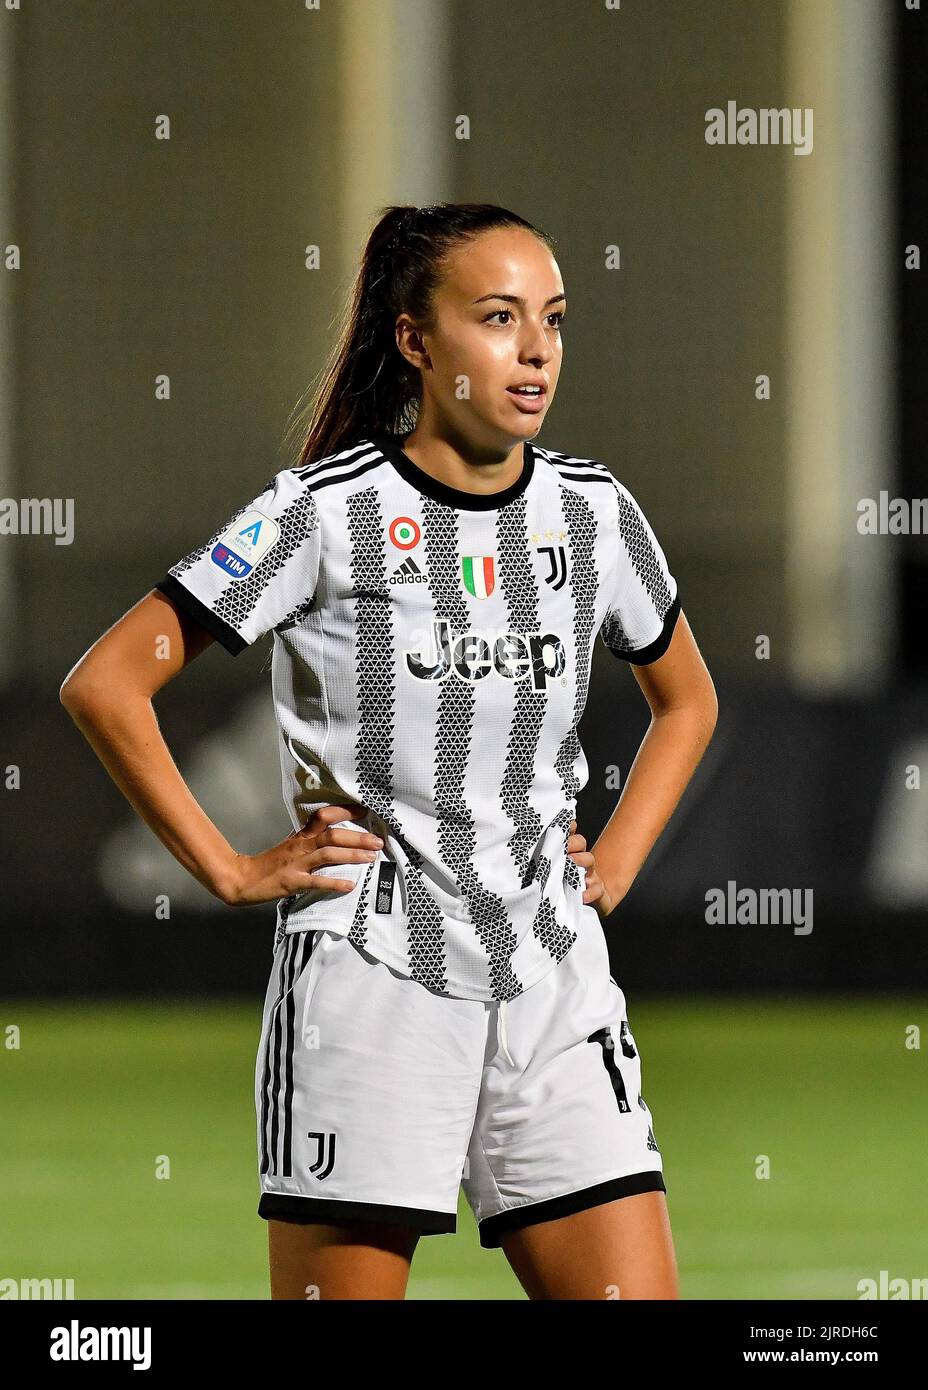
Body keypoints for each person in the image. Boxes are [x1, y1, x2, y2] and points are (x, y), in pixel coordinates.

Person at [60, 202, 718, 1300]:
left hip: (552, 980)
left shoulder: (594, 511)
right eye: (498, 317)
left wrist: (616, 860)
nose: (535, 348)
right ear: (415, 339)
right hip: (372, 983)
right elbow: (109, 681)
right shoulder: (319, 515)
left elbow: (685, 699)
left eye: (551, 319)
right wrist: (229, 868)